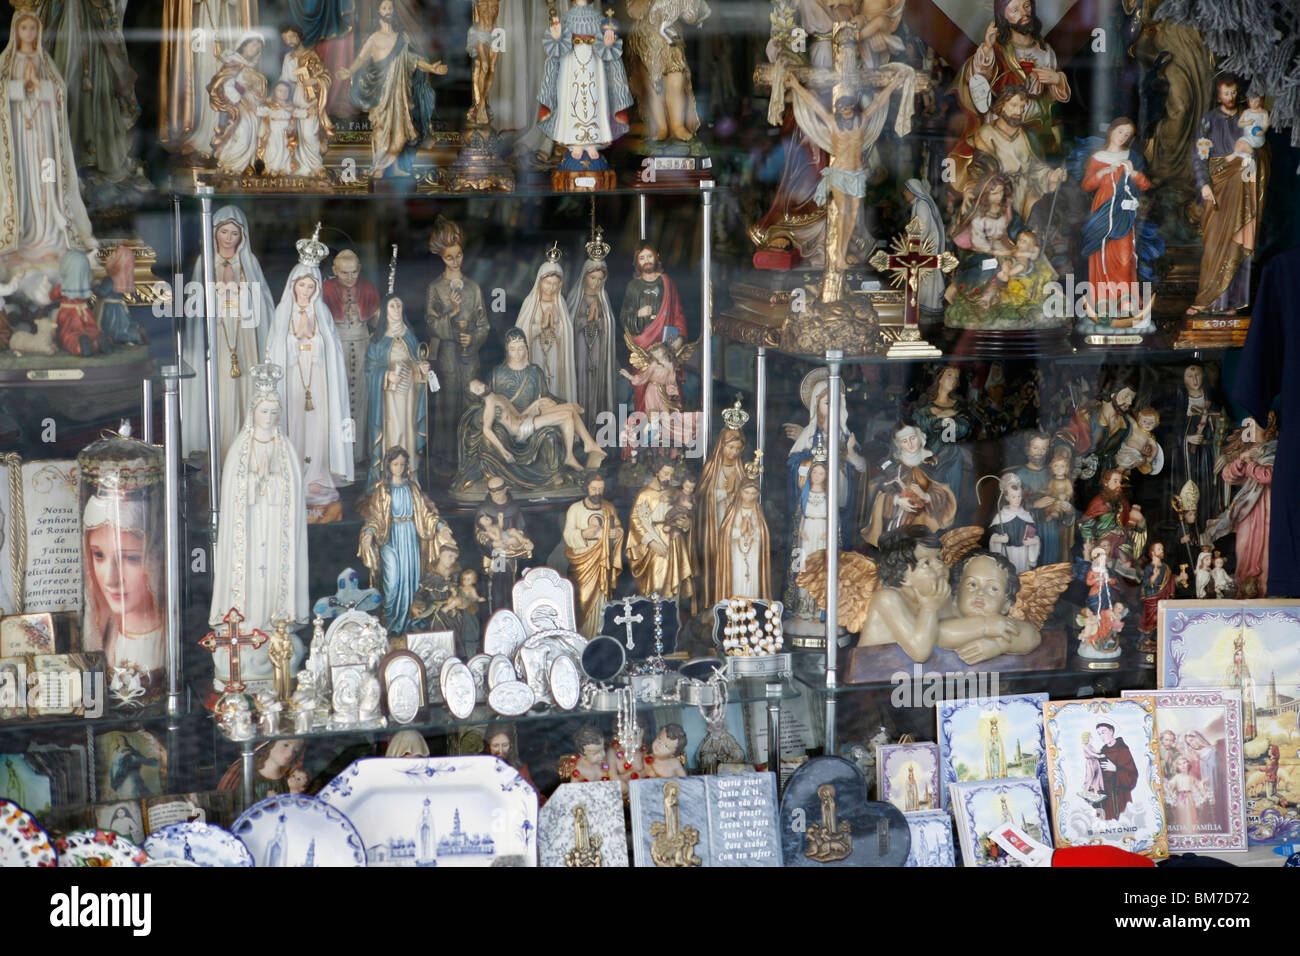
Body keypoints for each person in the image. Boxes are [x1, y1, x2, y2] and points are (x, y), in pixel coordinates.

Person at [209, 366, 310, 683]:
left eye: (275, 412)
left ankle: (273, 629)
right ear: (253, 411)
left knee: (273, 583)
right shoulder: (241, 448)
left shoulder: (286, 449)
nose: (270, 417)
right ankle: (246, 630)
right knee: (250, 580)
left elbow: (293, 492)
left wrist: (273, 487)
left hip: (275, 528)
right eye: (264, 411)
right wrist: (254, 485)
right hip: (250, 534)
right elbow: (234, 491)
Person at [263, 235, 356, 521]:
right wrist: (293, 345)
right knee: (294, 426)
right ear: (293, 286)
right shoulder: (282, 313)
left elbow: (331, 349)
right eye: (301, 285)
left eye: (310, 286)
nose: (305, 291)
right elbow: (274, 348)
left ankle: (317, 473)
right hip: (292, 380)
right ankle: (293, 471)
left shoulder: (322, 313)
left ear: (316, 288)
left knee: (318, 428)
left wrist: (314, 346)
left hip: (316, 380)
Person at [0, 10, 98, 281]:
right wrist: (21, 87)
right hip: (18, 136)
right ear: (16, 32)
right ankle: (24, 234)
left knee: (45, 184)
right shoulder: (6, 62)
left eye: (33, 28)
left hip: (42, 136)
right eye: (24, 28)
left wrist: (38, 85)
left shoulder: (45, 60)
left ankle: (46, 234)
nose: (29, 33)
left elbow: (59, 93)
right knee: (23, 182)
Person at [183, 206, 276, 463]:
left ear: (242, 236)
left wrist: (241, 294)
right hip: (218, 336)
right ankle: (221, 451)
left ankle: (248, 448)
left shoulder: (249, 263)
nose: (227, 238)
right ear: (214, 233)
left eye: (234, 233)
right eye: (223, 231)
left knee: (246, 387)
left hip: (245, 337)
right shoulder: (205, 263)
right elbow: (195, 305)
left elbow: (264, 304)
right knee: (221, 389)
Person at [953, 0, 1069, 167]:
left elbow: (1059, 97)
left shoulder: (1044, 50)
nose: (1024, 13)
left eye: (1026, 7)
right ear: (1003, 16)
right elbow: (977, 80)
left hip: (1036, 124)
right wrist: (987, 47)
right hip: (1003, 127)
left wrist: (1057, 79)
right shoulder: (997, 49)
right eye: (1015, 10)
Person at [1187, 75, 1267, 315]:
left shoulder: (1248, 118)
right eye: (1225, 93)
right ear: (1218, 95)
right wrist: (1204, 183)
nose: (1230, 98)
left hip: (1241, 186)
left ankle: (1230, 302)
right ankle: (1207, 299)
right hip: (1217, 185)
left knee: (1237, 241)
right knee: (1213, 244)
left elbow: (1260, 150)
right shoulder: (1208, 120)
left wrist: (1252, 156)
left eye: (1233, 93)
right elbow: (1200, 154)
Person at [338, 0, 445, 178]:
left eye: (390, 8)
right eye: (385, 8)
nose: (388, 11)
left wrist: (432, 68)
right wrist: (349, 71)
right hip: (381, 96)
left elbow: (413, 59)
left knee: (400, 137)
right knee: (381, 134)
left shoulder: (402, 37)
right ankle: (379, 168)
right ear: (379, 12)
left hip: (400, 95)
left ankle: (388, 166)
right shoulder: (374, 38)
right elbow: (361, 58)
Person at [83, 482, 166, 686]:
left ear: (156, 560)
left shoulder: (168, 643)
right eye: (99, 555)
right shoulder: (103, 637)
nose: (111, 579)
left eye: (131, 558)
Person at [358, 446, 448, 634]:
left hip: (410, 536)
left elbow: (424, 514)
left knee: (413, 580)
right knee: (392, 582)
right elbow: (374, 517)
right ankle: (393, 624)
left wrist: (440, 526)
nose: (398, 468)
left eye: (402, 464)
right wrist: (369, 533)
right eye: (395, 464)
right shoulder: (382, 490)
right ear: (388, 465)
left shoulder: (412, 488)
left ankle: (411, 621)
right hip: (390, 538)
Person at [426, 218, 489, 471]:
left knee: (471, 399)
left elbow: (484, 323)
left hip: (469, 354)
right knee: (448, 400)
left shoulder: (474, 287)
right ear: (442, 258)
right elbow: (430, 324)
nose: (455, 261)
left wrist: (473, 338)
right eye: (449, 257)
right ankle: (447, 456)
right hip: (447, 355)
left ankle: (471, 452)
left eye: (459, 255)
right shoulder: (435, 288)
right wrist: (451, 313)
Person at [537, 0, 633, 162]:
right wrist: (557, 38)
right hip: (571, 67)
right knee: (571, 100)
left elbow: (609, 47)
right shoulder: (566, 18)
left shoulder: (599, 18)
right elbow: (557, 47)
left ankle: (592, 142)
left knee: (594, 100)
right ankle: (575, 143)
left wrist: (607, 44)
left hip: (594, 68)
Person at [1080, 118, 1154, 316]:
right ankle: (1104, 301)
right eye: (1120, 131)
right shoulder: (1098, 157)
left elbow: (1145, 185)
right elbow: (1087, 185)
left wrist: (1133, 172)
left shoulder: (1132, 157)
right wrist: (1101, 173)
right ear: (1112, 131)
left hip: (1123, 212)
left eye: (1126, 135)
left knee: (1124, 256)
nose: (1122, 137)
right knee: (1101, 254)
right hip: (1103, 209)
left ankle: (1125, 301)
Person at [365, 295, 429, 491]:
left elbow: (418, 359)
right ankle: (389, 478)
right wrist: (386, 375)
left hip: (409, 396)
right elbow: (369, 368)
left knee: (409, 431)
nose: (396, 309)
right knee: (394, 432)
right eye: (392, 306)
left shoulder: (410, 337)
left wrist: (422, 368)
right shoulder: (378, 341)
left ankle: (411, 478)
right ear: (385, 311)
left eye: (399, 305)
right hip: (389, 399)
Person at [322, 249, 381, 464]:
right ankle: (340, 455)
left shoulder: (367, 289)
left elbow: (378, 321)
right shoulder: (326, 289)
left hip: (362, 347)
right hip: (337, 349)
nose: (349, 277)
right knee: (339, 400)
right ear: (335, 271)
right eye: (344, 273)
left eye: (354, 272)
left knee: (361, 400)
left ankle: (358, 454)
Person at [1207, 417, 1276, 595]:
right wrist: (1240, 463)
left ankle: (1264, 589)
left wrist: (1250, 465)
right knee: (1244, 546)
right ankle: (1243, 588)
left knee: (1266, 550)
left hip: (1267, 506)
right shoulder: (1246, 451)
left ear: (1268, 429)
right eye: (1249, 427)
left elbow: (1268, 475)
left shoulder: (1275, 450)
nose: (1250, 430)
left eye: (1255, 426)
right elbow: (1228, 476)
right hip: (1246, 510)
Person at [862, 425, 956, 548]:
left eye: (913, 438)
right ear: (898, 444)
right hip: (896, 523)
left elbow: (943, 493)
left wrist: (926, 496)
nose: (910, 444)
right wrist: (896, 500)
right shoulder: (894, 465)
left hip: (922, 523)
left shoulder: (931, 464)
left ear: (920, 437)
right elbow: (877, 490)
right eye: (904, 441)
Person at [626, 462, 695, 605]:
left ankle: (672, 618)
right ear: (657, 472)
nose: (668, 477)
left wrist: (686, 524)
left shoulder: (675, 493)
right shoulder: (644, 494)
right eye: (665, 473)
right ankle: (655, 619)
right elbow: (635, 520)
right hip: (655, 542)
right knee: (657, 582)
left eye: (671, 474)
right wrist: (651, 542)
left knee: (674, 582)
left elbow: (687, 515)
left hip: (674, 541)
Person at [563, 473, 623, 637]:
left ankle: (599, 635)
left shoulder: (608, 507)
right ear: (587, 488)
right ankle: (583, 636)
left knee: (602, 598)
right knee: (582, 599)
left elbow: (618, 528)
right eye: (594, 489)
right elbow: (568, 535)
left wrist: (616, 533)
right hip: (583, 563)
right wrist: (583, 533)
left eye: (600, 489)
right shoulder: (575, 509)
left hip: (602, 561)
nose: (597, 492)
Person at [567, 248, 617, 434]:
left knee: (595, 388)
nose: (595, 283)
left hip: (598, 351)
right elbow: (568, 324)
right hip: (579, 350)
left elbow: (609, 326)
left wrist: (600, 321)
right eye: (592, 278)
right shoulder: (575, 298)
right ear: (584, 277)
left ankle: (595, 427)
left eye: (599, 279)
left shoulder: (604, 300)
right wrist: (586, 320)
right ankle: (577, 428)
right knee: (579, 385)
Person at [515, 256, 576, 404]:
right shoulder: (530, 302)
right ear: (540, 281)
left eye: (555, 284)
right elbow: (520, 333)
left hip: (554, 353)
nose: (551, 288)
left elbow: (567, 331)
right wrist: (540, 327)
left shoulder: (560, 303)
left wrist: (556, 328)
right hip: (535, 351)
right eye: (548, 283)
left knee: (553, 386)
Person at [208, 35, 267, 175]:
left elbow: (256, 90)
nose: (254, 50)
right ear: (243, 45)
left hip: (251, 107)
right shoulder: (233, 62)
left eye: (257, 49)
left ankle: (246, 165)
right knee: (243, 133)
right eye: (252, 45)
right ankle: (231, 165)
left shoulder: (249, 67)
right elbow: (224, 84)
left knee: (255, 134)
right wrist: (239, 98)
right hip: (237, 107)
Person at [474, 476, 531, 613]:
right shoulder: (484, 510)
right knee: (499, 583)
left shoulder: (514, 507)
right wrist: (493, 544)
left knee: (515, 583)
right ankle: (498, 612)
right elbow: (479, 534)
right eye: (493, 492)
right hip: (495, 554)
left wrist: (523, 540)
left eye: (499, 491)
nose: (497, 495)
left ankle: (514, 611)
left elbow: (521, 528)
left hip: (514, 552)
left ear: (506, 489)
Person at [713, 479, 771, 602]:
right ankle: (735, 607)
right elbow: (724, 533)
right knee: (737, 576)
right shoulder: (733, 509)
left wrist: (752, 532)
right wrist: (740, 532)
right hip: (736, 552)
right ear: (740, 492)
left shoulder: (758, 509)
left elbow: (763, 533)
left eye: (753, 493)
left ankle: (752, 607)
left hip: (753, 552)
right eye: (747, 492)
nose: (749, 497)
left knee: (752, 578)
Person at [987, 472, 1039, 573]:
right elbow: (993, 537)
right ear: (1007, 497)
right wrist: (999, 539)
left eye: (1019, 496)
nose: (1017, 500)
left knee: (1023, 574)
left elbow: (1032, 535)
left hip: (1023, 553)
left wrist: (1032, 541)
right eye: (1014, 497)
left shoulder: (1026, 516)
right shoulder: (1001, 517)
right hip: (1008, 553)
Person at [1095, 720, 1138, 821]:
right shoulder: (1102, 751)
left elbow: (1132, 776)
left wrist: (1115, 769)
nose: (1101, 736)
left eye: (1103, 732)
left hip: (1120, 796)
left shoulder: (1123, 750)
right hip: (1106, 798)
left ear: (1111, 731)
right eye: (1099, 734)